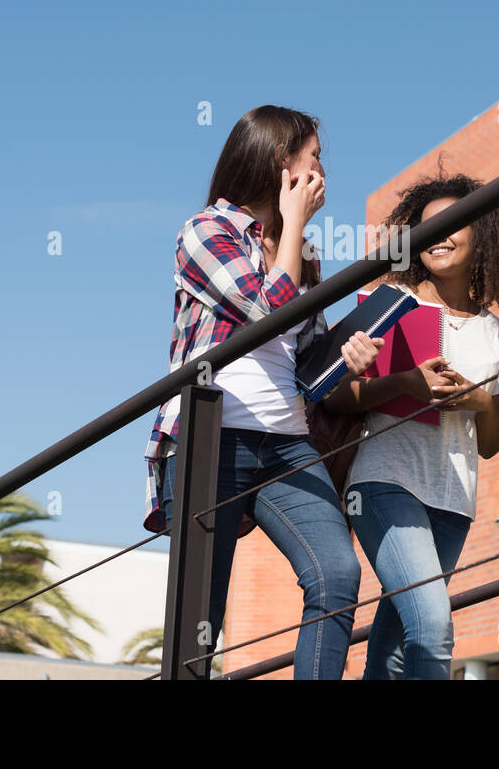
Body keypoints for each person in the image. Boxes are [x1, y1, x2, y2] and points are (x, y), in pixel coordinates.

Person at [142, 104, 383, 680]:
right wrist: (295, 225)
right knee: (204, 609)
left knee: (337, 574)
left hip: (286, 441)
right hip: (211, 436)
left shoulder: (302, 254)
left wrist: (346, 360)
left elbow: (305, 361)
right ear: (282, 162)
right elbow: (262, 312)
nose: (325, 168)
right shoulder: (205, 231)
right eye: (316, 155)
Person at [324, 172, 499, 679]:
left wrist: (478, 400)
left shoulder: (497, 335)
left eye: (455, 224)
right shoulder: (388, 303)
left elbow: (493, 445)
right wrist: (404, 385)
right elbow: (338, 398)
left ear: (483, 238)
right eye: (427, 227)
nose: (439, 235)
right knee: (433, 628)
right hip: (384, 482)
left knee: (392, 651)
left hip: (453, 504)